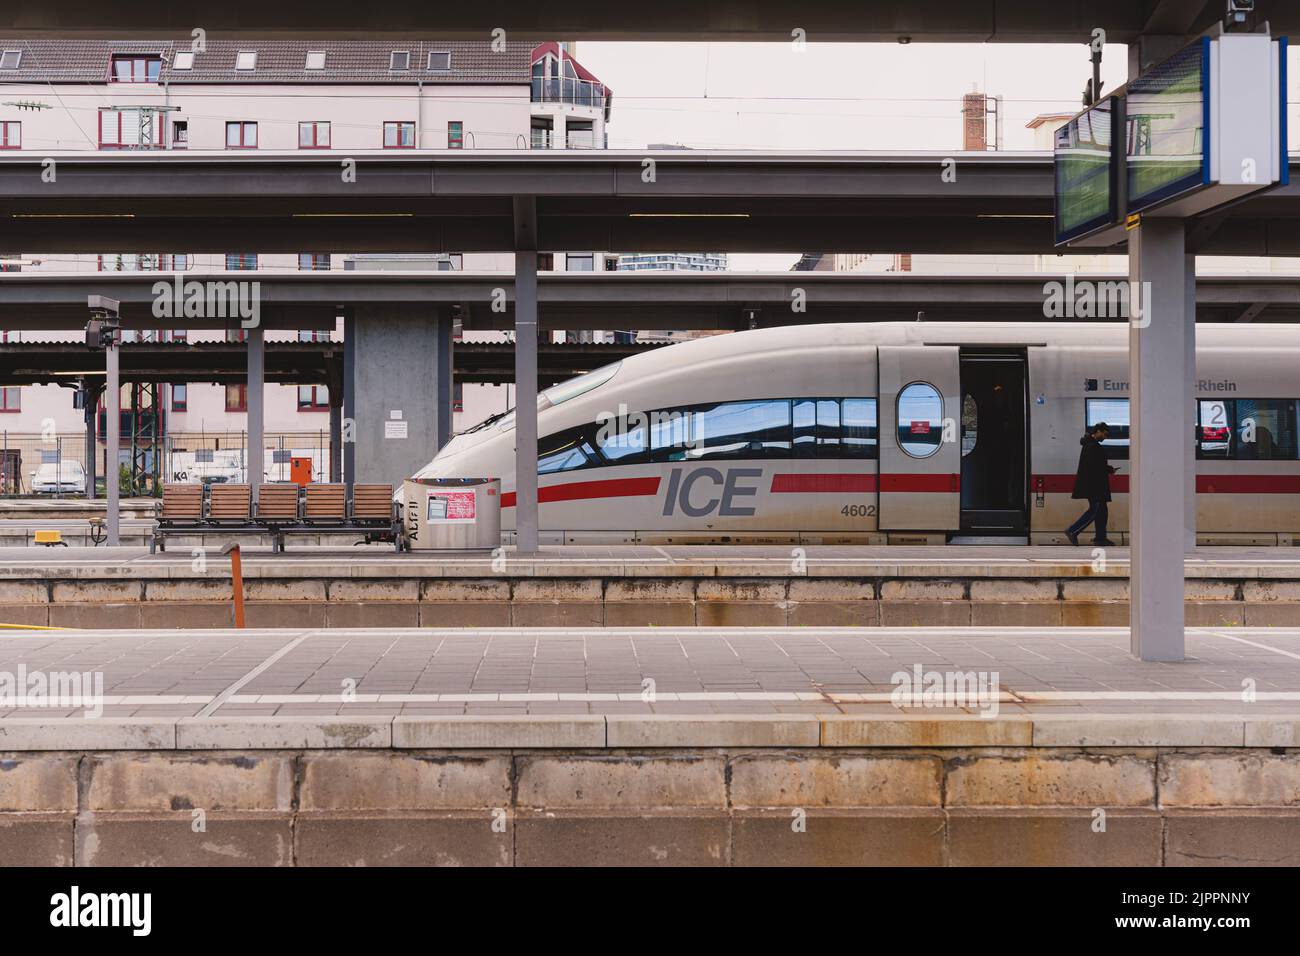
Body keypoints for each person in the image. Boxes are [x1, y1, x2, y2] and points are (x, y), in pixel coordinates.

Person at [1065, 422, 1117, 546]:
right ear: (1098, 431)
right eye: (1104, 434)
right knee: (1095, 510)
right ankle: (1073, 530)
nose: (1105, 437)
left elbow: (1096, 465)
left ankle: (1101, 537)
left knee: (1102, 511)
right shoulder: (1092, 446)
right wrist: (1109, 469)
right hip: (1095, 486)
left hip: (1096, 485)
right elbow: (1096, 467)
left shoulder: (1091, 445)